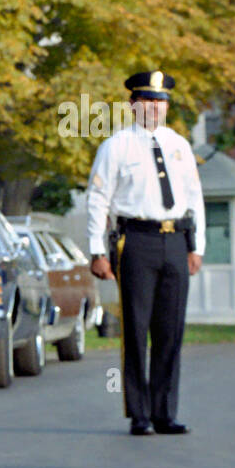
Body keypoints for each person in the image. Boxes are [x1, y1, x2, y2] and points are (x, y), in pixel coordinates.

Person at [86, 70, 205, 436]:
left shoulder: (180, 146)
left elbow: (194, 197)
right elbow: (97, 200)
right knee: (137, 330)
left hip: (175, 241)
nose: (154, 108)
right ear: (133, 105)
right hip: (136, 241)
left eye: (161, 102)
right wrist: (96, 251)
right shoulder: (117, 145)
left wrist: (196, 247)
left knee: (171, 331)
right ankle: (139, 414)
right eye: (147, 101)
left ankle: (164, 412)